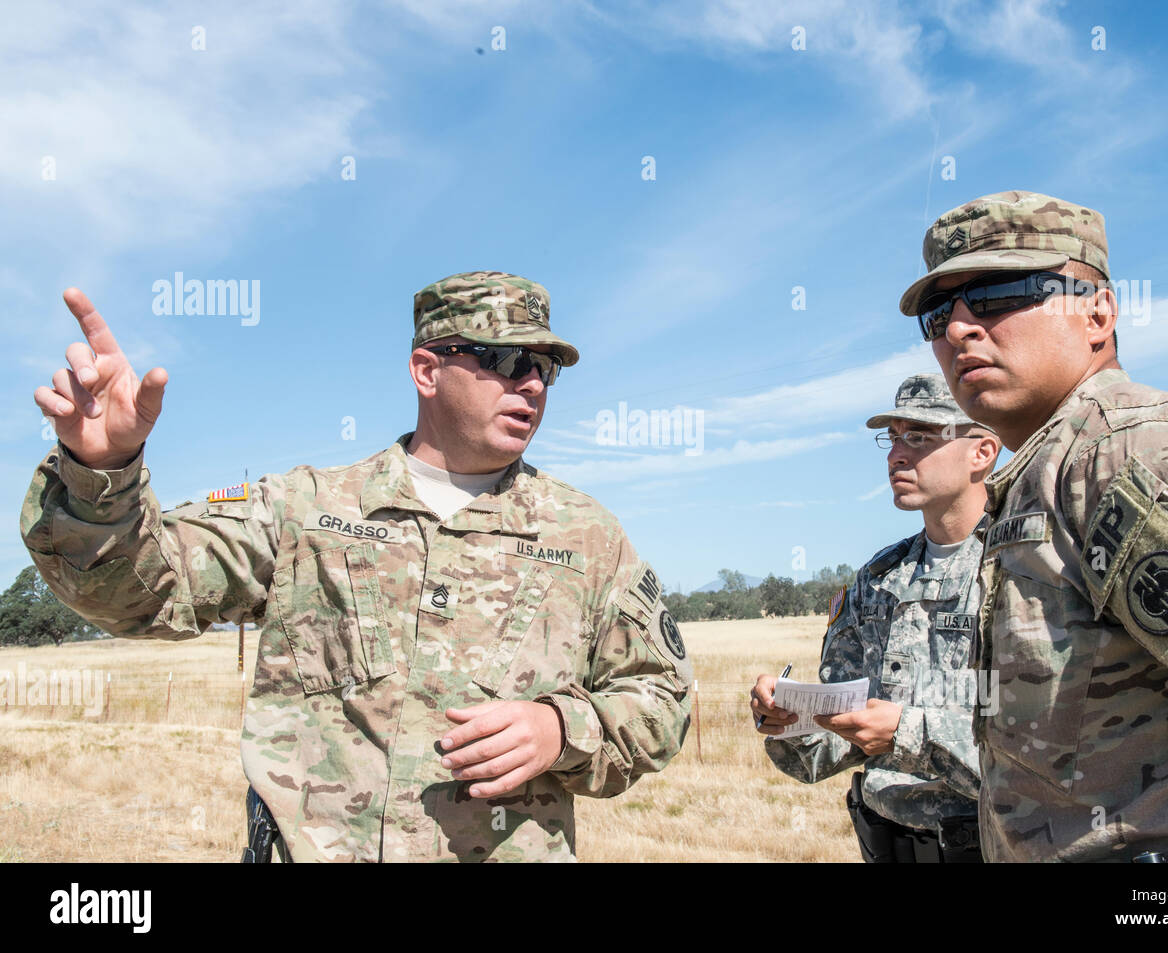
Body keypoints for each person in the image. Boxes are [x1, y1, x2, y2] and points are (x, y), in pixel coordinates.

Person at [21, 271, 692, 863]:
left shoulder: (587, 537)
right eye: (504, 357)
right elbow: (138, 592)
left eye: (544, 366)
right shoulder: (305, 509)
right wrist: (101, 472)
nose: (529, 383)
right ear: (427, 370)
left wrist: (560, 728)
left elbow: (664, 697)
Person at [902, 190, 1168, 862]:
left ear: (1098, 312)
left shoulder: (1133, 457)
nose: (960, 329)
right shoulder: (1045, 472)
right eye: (940, 314)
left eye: (1000, 295)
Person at [750, 373, 1000, 862]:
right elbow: (828, 746)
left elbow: (1052, 756)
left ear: (982, 452)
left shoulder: (1025, 568)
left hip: (992, 847)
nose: (896, 455)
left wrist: (905, 731)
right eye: (894, 437)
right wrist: (788, 719)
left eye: (921, 437)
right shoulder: (878, 578)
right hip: (887, 845)